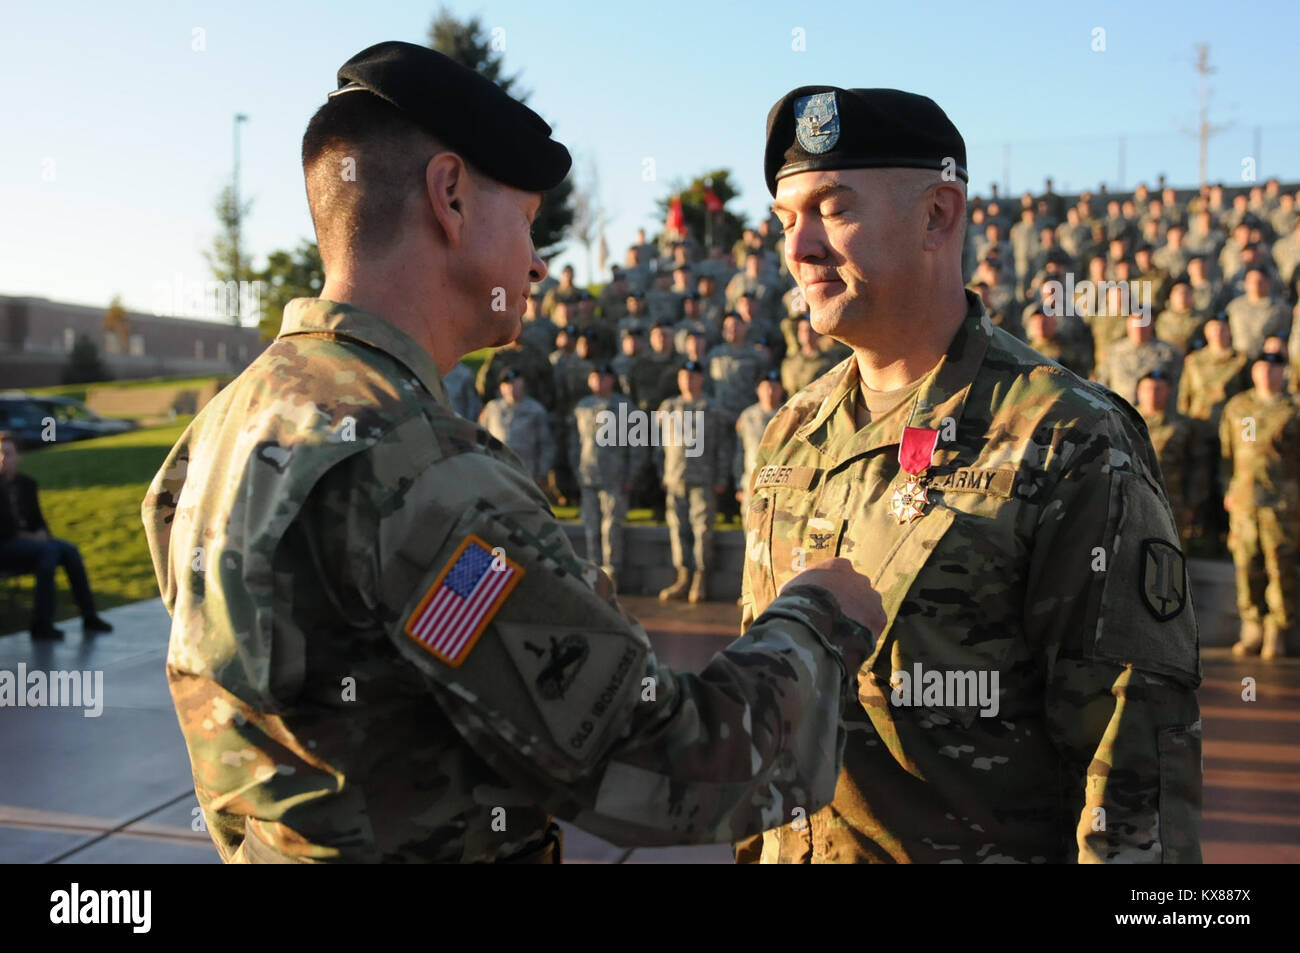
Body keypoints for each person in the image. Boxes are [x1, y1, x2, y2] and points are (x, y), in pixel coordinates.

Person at [141, 42, 884, 865]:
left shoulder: (221, 427)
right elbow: (663, 763)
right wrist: (817, 615)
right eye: (529, 222)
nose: (536, 262)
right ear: (450, 196)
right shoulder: (422, 468)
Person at [739, 84, 1201, 864]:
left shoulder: (1070, 437)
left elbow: (1132, 781)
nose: (799, 247)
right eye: (787, 220)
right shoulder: (792, 433)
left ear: (937, 216)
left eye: (832, 208)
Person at [1218, 351, 1299, 660]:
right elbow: (1226, 454)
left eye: (1274, 369)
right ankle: (1251, 626)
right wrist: (1227, 488)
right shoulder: (1238, 407)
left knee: (1281, 566)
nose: (1267, 375)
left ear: (1283, 373)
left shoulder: (1293, 409)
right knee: (1246, 563)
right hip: (1244, 500)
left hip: (1283, 502)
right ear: (1254, 372)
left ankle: (1278, 629)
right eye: (1261, 368)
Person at [0, 432, 112, 640]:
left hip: (31, 543)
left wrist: (42, 531)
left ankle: (89, 616)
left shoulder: (27, 484)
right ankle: (41, 623)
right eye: (0, 453)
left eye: (8, 453)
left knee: (69, 550)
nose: (3, 458)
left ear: (19, 456)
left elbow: (37, 519)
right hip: (6, 546)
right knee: (49, 551)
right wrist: (30, 537)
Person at [656, 361, 727, 603]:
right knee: (678, 530)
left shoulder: (713, 408)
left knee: (702, 531)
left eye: (693, 376)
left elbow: (722, 448)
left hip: (703, 479)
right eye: (683, 376)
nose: (687, 380)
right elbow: (659, 445)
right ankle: (683, 577)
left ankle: (700, 577)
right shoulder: (668, 408)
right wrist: (663, 473)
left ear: (701, 379)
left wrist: (721, 477)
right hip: (676, 478)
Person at [571, 365, 643, 587]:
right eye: (594, 377)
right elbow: (575, 443)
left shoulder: (624, 407)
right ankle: (593, 572)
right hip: (589, 476)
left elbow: (637, 445)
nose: (598, 382)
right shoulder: (582, 407)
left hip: (615, 478)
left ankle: (612, 573)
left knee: (612, 527)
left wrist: (631, 476)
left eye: (603, 377)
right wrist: (577, 470)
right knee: (591, 527)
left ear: (611, 380)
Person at [478, 370, 555, 488]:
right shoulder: (492, 408)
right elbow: (480, 439)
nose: (511, 388)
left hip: (526, 471)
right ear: (501, 387)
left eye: (515, 383)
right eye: (507, 384)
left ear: (523, 383)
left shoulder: (536, 410)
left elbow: (546, 445)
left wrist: (542, 472)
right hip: (497, 470)